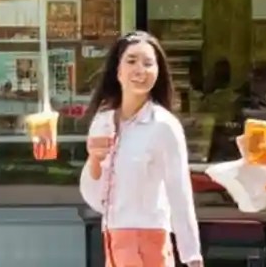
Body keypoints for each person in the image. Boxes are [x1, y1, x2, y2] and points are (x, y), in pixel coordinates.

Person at [80, 31, 203, 267]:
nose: (140, 70)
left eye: (149, 63)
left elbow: (180, 193)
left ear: (158, 72)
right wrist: (94, 160)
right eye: (132, 61)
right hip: (112, 240)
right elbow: (95, 198)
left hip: (148, 242)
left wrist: (192, 256)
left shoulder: (164, 126)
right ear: (117, 69)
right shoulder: (103, 121)